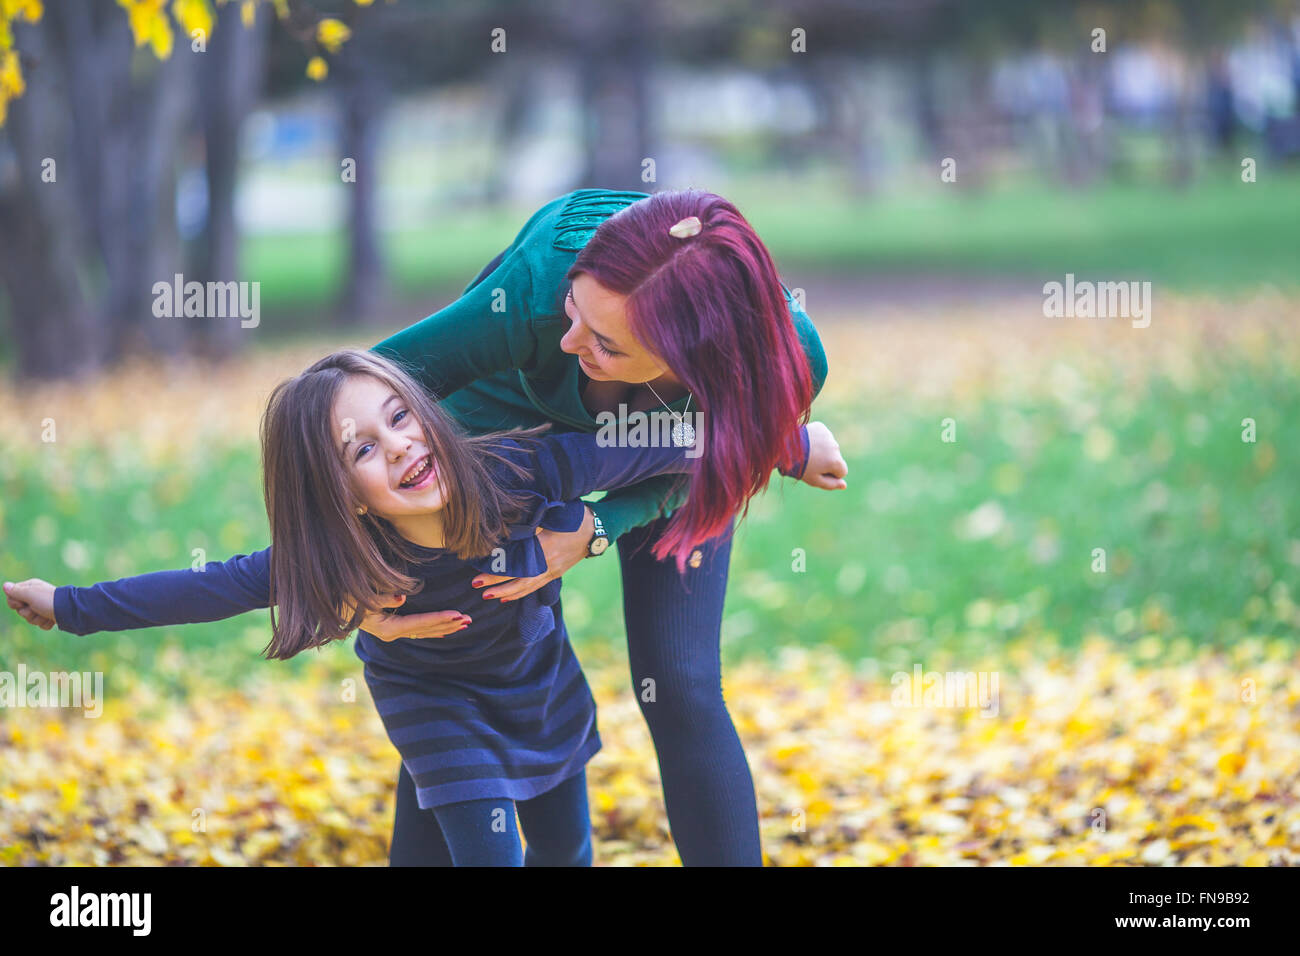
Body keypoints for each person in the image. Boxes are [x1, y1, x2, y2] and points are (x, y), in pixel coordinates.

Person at [3, 349, 834, 866]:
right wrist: (68, 605)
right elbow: (205, 587)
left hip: (538, 687)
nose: (397, 443)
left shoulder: (518, 472)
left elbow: (658, 443)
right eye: (361, 448)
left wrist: (789, 445)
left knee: (565, 848)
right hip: (436, 710)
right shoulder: (343, 558)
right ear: (342, 494)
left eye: (399, 417)